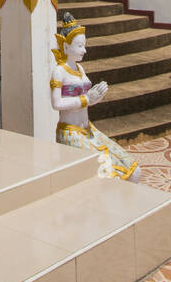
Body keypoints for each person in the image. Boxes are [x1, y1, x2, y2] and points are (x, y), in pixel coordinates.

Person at [50, 12, 140, 181]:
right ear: (65, 47)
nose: (84, 50)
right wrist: (86, 99)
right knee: (110, 175)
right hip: (70, 133)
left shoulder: (80, 69)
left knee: (132, 168)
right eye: (79, 46)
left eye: (84, 45)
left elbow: (87, 100)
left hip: (88, 129)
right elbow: (57, 103)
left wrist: (96, 96)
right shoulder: (59, 72)